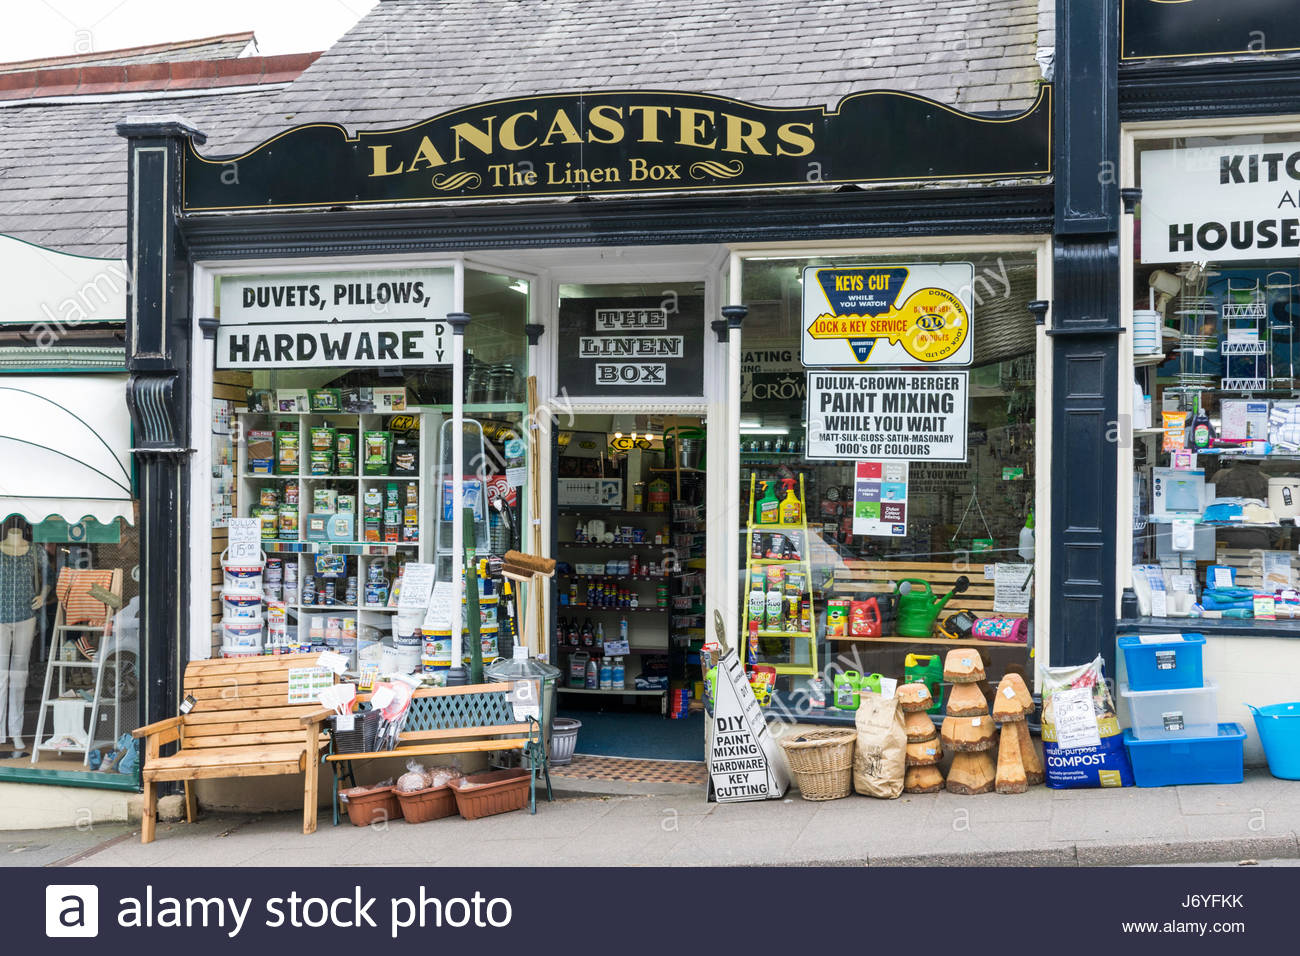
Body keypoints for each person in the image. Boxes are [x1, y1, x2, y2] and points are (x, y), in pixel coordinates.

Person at [0, 516, 50, 756]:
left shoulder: (35, 551)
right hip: (0, 617)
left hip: (26, 615)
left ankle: (17, 732)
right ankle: (1, 732)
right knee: (0, 676)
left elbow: (49, 576)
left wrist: (42, 594)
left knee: (20, 675)